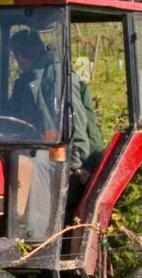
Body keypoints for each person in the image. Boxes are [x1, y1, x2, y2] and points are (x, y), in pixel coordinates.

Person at [6, 28, 104, 183]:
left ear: (19, 55)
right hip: (39, 147)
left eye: (15, 57)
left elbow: (75, 123)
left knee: (34, 165)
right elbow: (11, 116)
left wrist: (75, 166)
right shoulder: (27, 81)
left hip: (68, 158)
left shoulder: (57, 79)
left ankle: (32, 208)